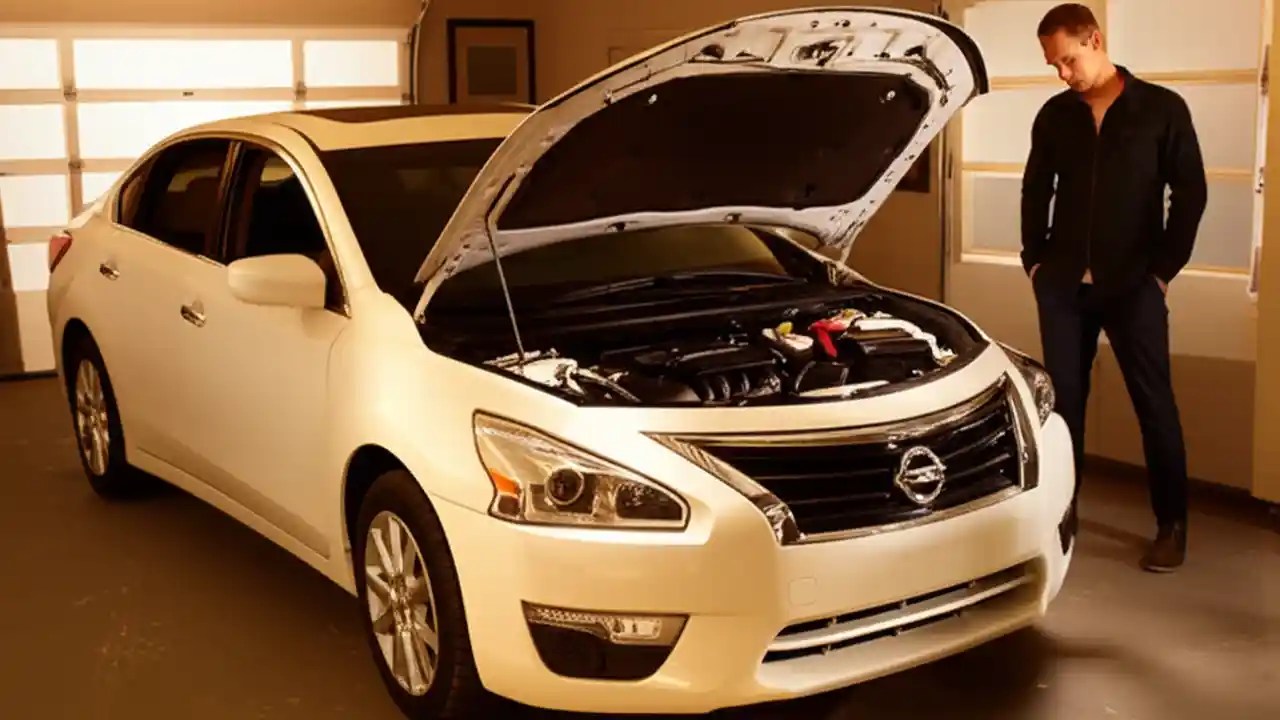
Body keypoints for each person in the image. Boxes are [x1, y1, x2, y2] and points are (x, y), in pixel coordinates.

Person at [1020, 3, 1207, 572]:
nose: (1062, 74)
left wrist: (1162, 271)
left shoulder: (1162, 110)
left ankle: (1171, 525)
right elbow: (1035, 191)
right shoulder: (1055, 115)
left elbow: (1191, 195)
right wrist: (1035, 262)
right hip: (1063, 290)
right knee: (1064, 411)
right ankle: (1065, 513)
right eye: (1054, 64)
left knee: (1155, 405)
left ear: (1095, 40)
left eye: (1068, 60)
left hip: (1134, 286)